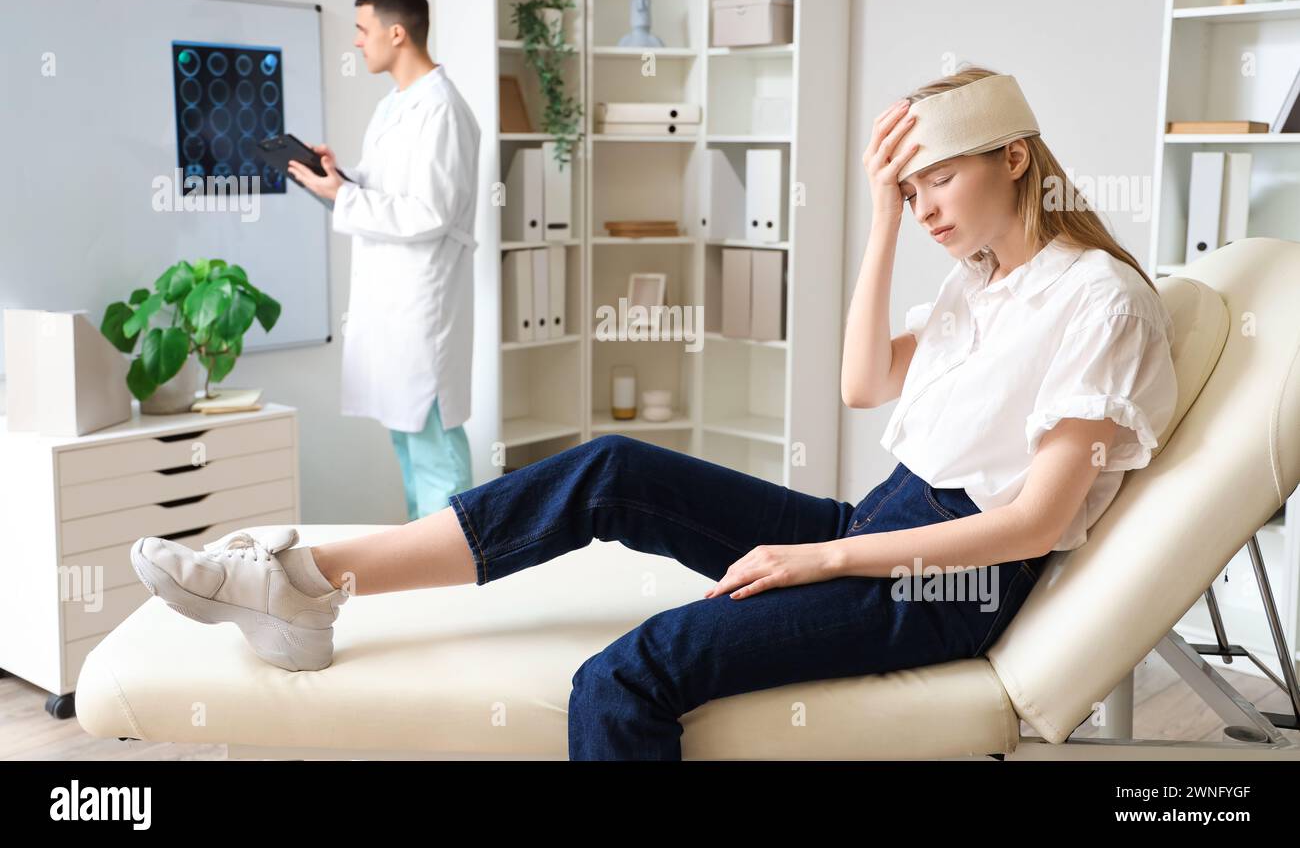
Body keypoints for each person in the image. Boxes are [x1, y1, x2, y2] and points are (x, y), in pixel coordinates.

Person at [131, 65, 1178, 760]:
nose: (931, 209)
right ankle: (311, 583)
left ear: (1014, 158)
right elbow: (862, 384)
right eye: (916, 193)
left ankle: (306, 583)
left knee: (625, 677)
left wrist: (821, 561)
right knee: (611, 467)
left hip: (942, 581)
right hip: (881, 524)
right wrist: (879, 227)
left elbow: (1036, 523)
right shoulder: (984, 277)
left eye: (939, 181)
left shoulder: (1099, 298)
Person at [289, 0, 480, 522]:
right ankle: (427, 569)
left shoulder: (441, 109)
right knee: (408, 445)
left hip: (424, 304)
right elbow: (380, 191)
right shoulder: (394, 106)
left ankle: (461, 575)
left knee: (437, 453)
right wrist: (337, 179)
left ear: (396, 33)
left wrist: (346, 195)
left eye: (362, 29)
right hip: (393, 305)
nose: (356, 41)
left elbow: (430, 211)